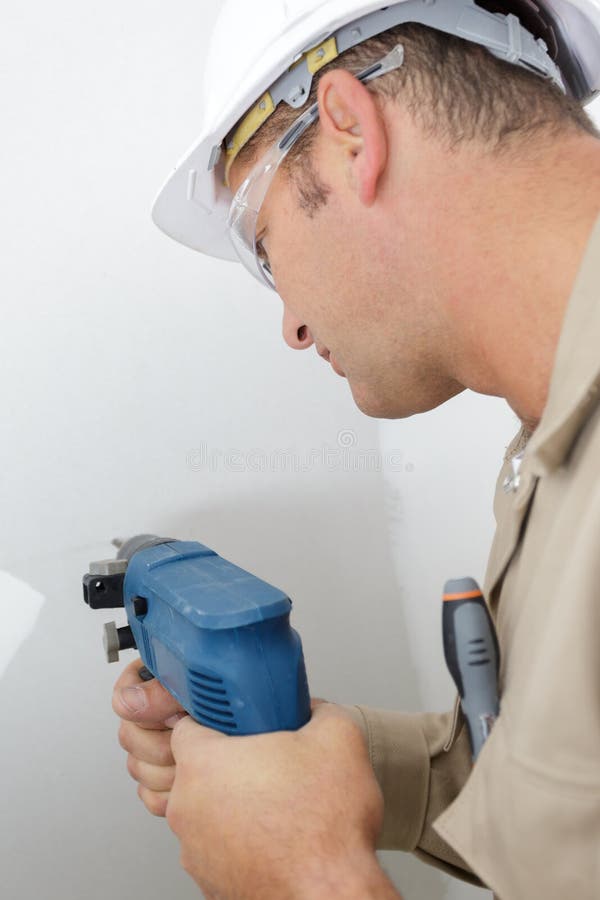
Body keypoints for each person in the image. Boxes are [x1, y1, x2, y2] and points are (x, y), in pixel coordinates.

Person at [112, 1, 600, 897]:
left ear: (349, 132)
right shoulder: (555, 454)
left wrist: (308, 875)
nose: (293, 326)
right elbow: (564, 822)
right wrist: (303, 769)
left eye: (265, 248)